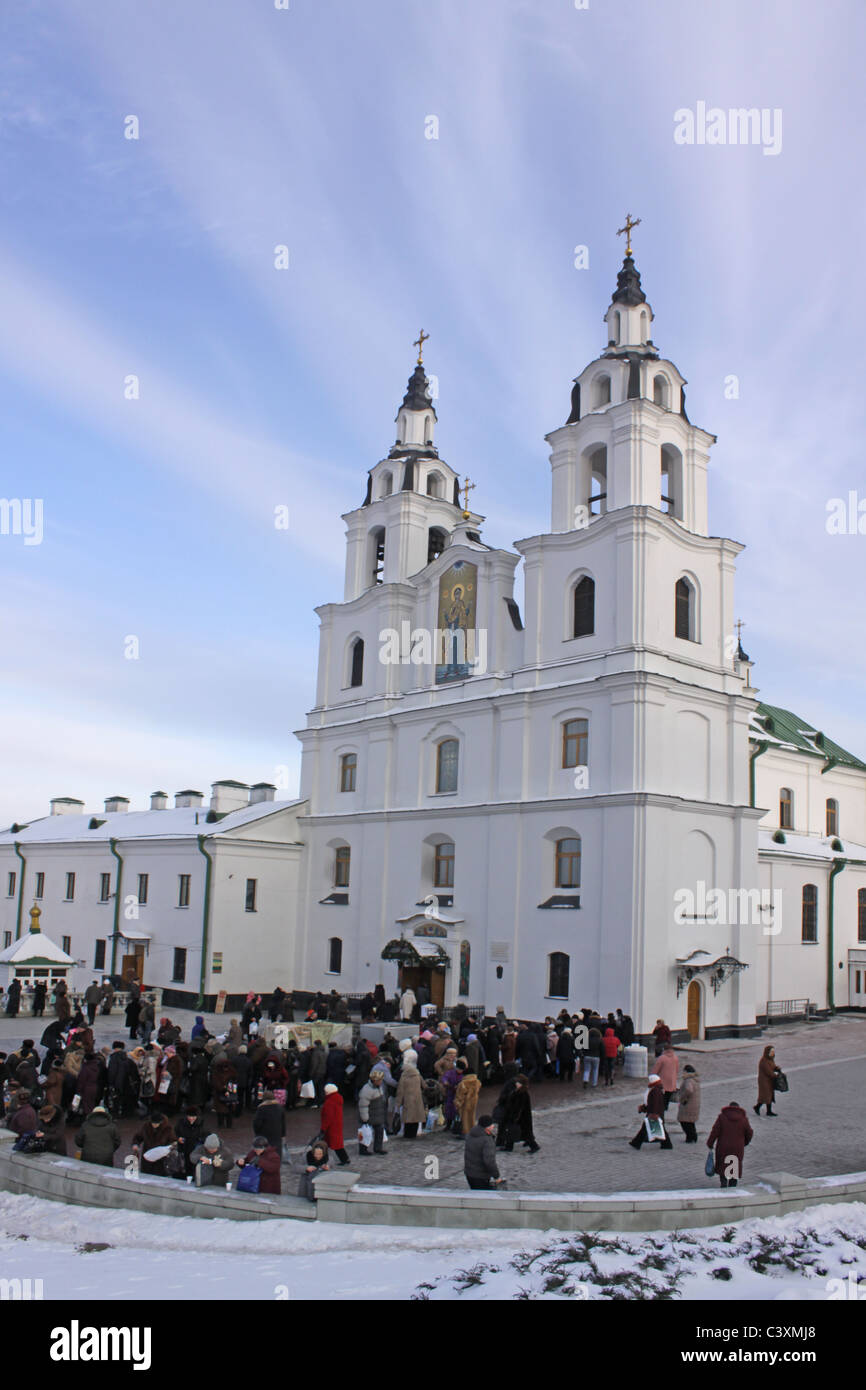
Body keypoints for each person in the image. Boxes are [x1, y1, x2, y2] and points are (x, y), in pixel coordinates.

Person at [707, 1101, 753, 1188]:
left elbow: (715, 1131)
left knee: (723, 1166)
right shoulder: (743, 1119)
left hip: (723, 1147)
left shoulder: (722, 1117)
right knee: (734, 1167)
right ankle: (732, 1186)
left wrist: (710, 1143)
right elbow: (749, 1133)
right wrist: (744, 1143)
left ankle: (723, 1184)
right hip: (737, 1148)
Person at [628, 1073, 672, 1150]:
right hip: (656, 1113)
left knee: (645, 1128)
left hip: (654, 1113)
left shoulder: (655, 1090)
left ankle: (636, 1143)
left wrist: (653, 1113)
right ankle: (666, 1144)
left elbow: (654, 1103)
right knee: (656, 1128)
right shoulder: (657, 1089)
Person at [464, 1115, 504, 1190]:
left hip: (469, 1173)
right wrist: (496, 1176)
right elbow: (489, 1161)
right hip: (480, 1175)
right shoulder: (487, 1140)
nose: (493, 1126)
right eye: (492, 1125)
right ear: (487, 1127)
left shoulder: (471, 1134)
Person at [501, 1075, 540, 1153]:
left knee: (525, 1133)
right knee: (512, 1131)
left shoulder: (522, 1093)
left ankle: (534, 1146)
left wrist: (515, 1116)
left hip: (521, 1118)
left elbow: (520, 1106)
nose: (516, 1083)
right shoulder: (518, 1091)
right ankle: (508, 1146)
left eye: (518, 1082)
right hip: (517, 1116)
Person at [131, 1111, 175, 1175]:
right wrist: (135, 1144)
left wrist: (169, 1148)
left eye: (156, 1123)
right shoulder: (146, 1127)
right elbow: (138, 1137)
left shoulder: (168, 1129)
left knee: (159, 1177)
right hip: (147, 1156)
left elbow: (172, 1141)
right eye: (153, 1123)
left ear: (161, 1122)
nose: (154, 1125)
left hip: (161, 1159)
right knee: (146, 1176)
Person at [394, 1056, 426, 1139]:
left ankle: (408, 1135)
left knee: (408, 1119)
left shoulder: (403, 1077)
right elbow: (424, 1085)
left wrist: (398, 1103)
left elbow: (400, 1091)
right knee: (416, 1118)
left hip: (408, 1100)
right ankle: (414, 1134)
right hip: (417, 1100)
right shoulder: (417, 1074)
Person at [358, 1070, 387, 1154]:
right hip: (370, 1115)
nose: (381, 1081)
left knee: (379, 1131)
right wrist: (365, 1118)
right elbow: (363, 1105)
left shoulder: (379, 1087)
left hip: (377, 1114)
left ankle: (378, 1148)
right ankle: (363, 1149)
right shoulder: (366, 1090)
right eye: (380, 1080)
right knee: (366, 1133)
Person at [320, 1083, 350, 1164]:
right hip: (337, 1125)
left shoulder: (329, 1102)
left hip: (331, 1127)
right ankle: (345, 1159)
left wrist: (323, 1128)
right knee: (337, 1144)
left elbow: (327, 1117)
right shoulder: (337, 1099)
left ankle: (322, 1160)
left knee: (326, 1144)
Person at [175, 1107, 204, 1176]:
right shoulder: (181, 1122)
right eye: (189, 1116)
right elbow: (176, 1132)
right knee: (185, 1164)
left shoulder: (202, 1123)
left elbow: (205, 1135)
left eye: (193, 1116)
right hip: (184, 1147)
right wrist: (178, 1138)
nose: (191, 1118)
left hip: (195, 1148)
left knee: (195, 1165)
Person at [755, 1044, 781, 1117]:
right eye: (771, 1052)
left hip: (769, 1081)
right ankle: (757, 1107)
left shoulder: (770, 1059)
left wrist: (776, 1068)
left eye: (773, 1051)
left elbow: (772, 1067)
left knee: (769, 1095)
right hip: (764, 1081)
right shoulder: (763, 1061)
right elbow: (768, 1071)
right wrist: (775, 1075)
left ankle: (768, 1111)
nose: (773, 1053)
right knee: (765, 1095)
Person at [455, 1065, 481, 1136]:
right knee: (472, 1116)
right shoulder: (477, 1082)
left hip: (465, 1103)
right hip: (474, 1101)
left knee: (464, 1117)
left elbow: (460, 1096)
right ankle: (472, 1130)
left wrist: (457, 1103)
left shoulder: (463, 1083)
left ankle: (465, 1132)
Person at [677, 1064, 701, 1143]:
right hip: (694, 1104)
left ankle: (690, 1137)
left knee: (685, 1122)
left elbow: (689, 1090)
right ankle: (693, 1137)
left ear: (686, 1071)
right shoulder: (695, 1080)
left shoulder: (688, 1080)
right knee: (690, 1122)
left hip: (687, 1104)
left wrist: (683, 1098)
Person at [656, 1043, 679, 1110]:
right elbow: (677, 1069)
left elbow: (656, 1069)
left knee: (662, 1094)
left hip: (662, 1080)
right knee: (668, 1094)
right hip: (672, 1080)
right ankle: (666, 1106)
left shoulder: (662, 1058)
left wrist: (653, 1076)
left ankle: (662, 1106)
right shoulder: (675, 1057)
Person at [582, 1023, 602, 1089]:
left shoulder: (586, 1039)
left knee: (587, 1069)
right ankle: (594, 1083)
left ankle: (585, 1079)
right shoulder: (599, 1040)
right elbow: (602, 1049)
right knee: (595, 1070)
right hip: (596, 1056)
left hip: (587, 1056)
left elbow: (583, 1048)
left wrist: (584, 1054)